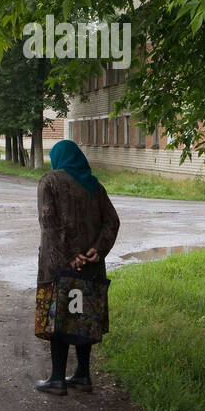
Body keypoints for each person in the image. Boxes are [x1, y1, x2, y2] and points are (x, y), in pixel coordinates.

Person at [34, 139, 119, 395]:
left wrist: (71, 255)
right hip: (91, 269)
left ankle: (57, 379)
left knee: (59, 318)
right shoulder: (95, 186)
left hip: (59, 268)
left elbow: (49, 224)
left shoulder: (49, 182)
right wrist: (97, 249)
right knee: (83, 320)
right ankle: (83, 375)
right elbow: (112, 222)